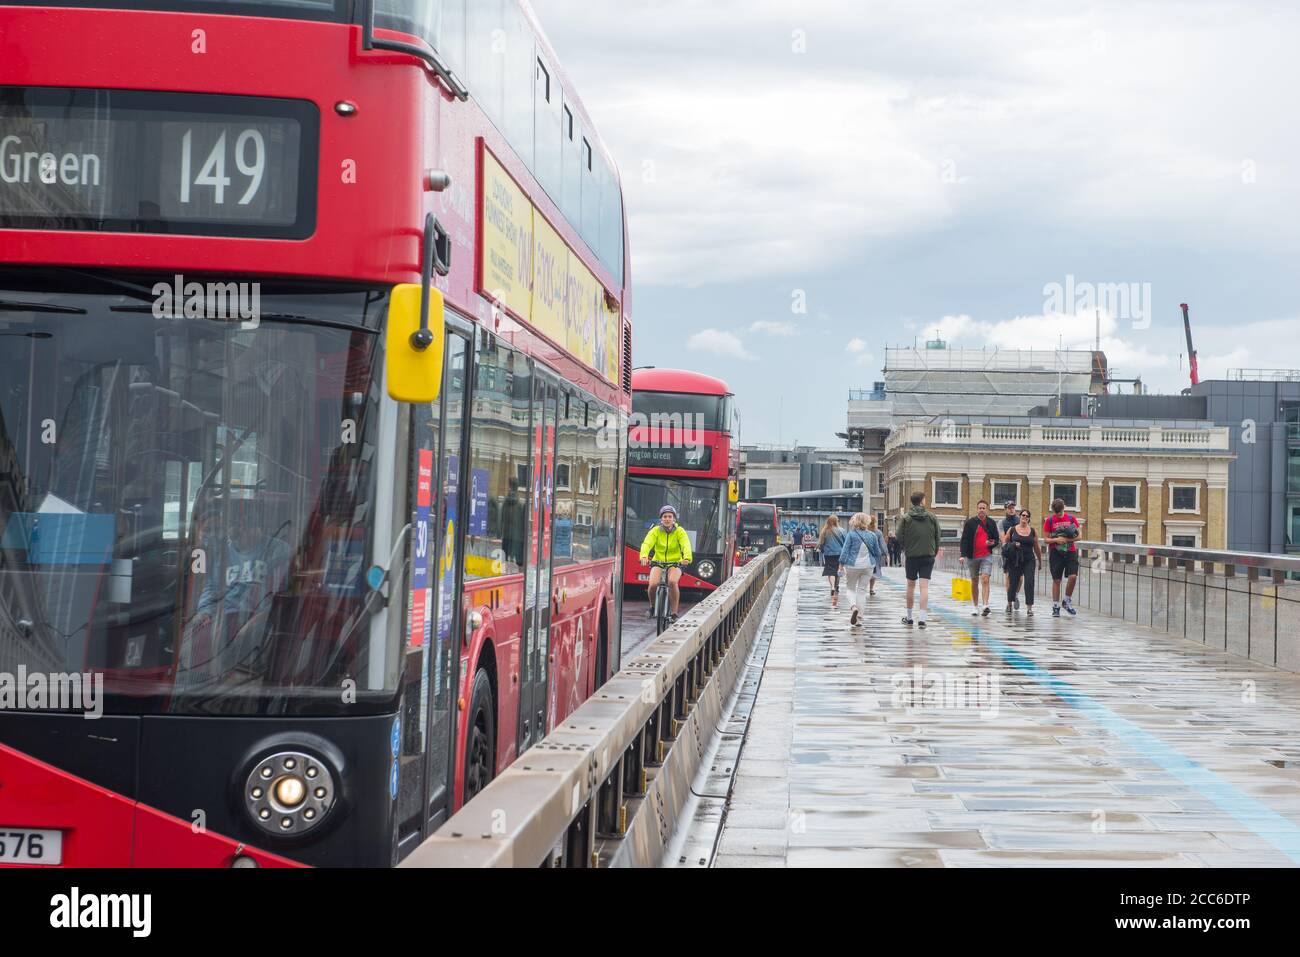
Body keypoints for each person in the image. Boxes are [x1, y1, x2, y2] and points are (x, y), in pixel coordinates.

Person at [640, 504, 693, 622]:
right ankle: (653, 607)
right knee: (653, 584)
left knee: (673, 582)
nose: (667, 519)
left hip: (675, 562)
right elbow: (647, 543)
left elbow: (686, 545)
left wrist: (687, 558)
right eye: (665, 516)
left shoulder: (680, 531)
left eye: (670, 516)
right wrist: (644, 556)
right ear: (661, 519)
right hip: (658, 561)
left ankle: (674, 613)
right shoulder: (655, 531)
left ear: (674, 519)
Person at [898, 491, 940, 629]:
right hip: (928, 555)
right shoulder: (932, 517)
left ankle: (909, 618)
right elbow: (937, 536)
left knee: (910, 585)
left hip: (912, 556)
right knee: (924, 587)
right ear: (922, 501)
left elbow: (899, 537)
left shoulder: (906, 518)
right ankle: (922, 619)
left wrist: (906, 548)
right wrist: (934, 551)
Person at [959, 499, 1000, 617]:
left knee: (985, 579)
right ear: (977, 509)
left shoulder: (991, 523)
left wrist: (992, 543)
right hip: (972, 557)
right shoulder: (970, 523)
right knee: (974, 581)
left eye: (984, 508)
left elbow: (996, 539)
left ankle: (985, 605)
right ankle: (975, 606)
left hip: (986, 555)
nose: (982, 510)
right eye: (980, 508)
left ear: (986, 509)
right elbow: (964, 540)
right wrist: (962, 555)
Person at [1043, 497, 1081, 618]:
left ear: (1063, 508)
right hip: (1055, 553)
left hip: (1070, 551)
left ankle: (1066, 600)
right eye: (1056, 512)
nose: (1058, 515)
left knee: (1073, 576)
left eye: (1059, 512)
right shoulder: (1049, 521)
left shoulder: (1071, 519)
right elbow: (1046, 539)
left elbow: (1079, 536)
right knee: (1057, 580)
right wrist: (1056, 540)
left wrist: (1067, 539)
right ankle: (1055, 606)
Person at [839, 512, 877, 627]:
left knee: (850, 589)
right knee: (862, 590)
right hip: (868, 566)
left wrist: (841, 564)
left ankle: (854, 607)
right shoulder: (872, 535)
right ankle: (859, 617)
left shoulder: (851, 534)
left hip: (852, 565)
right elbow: (877, 552)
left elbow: (845, 551)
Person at [1003, 507, 1042, 615]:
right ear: (1019, 517)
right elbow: (1004, 543)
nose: (1025, 517)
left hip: (1029, 559)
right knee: (1013, 581)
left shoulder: (1033, 531)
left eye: (1027, 516)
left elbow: (1037, 547)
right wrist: (1013, 544)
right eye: (1023, 515)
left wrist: (1040, 560)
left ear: (1029, 519)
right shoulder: (1012, 529)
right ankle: (1009, 604)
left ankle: (1029, 608)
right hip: (1015, 559)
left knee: (1029, 581)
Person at [818, 514, 847, 607]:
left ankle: (832, 587)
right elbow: (846, 543)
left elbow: (821, 543)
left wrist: (823, 550)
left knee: (830, 571)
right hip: (839, 553)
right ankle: (837, 586)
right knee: (838, 570)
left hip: (829, 553)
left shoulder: (825, 531)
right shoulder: (842, 531)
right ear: (836, 521)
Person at [999, 500, 1023, 609]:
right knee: (1008, 576)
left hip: (1020, 551)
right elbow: (1003, 539)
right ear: (1005, 509)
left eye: (1013, 507)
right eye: (1009, 507)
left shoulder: (1020, 520)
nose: (1012, 509)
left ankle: (1016, 595)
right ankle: (1009, 602)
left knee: (1020, 578)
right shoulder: (1001, 523)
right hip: (1008, 552)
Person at [866, 514, 886, 595]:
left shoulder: (864, 531)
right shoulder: (878, 532)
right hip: (876, 555)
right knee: (874, 572)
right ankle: (871, 589)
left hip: (865, 555)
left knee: (866, 572)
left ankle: (863, 587)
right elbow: (882, 544)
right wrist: (886, 553)